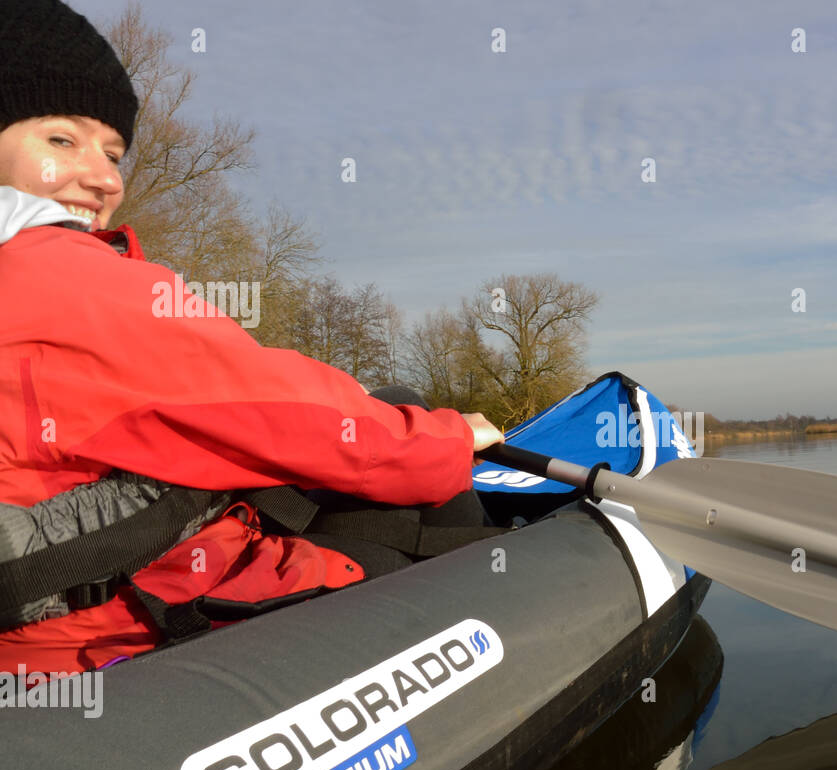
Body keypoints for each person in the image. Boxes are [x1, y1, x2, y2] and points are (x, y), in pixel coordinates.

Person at [0, 0, 504, 676]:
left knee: (381, 407)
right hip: (123, 626)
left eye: (114, 152)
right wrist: (446, 439)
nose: (106, 178)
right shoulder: (54, 272)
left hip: (63, 610)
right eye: (62, 141)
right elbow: (280, 409)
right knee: (433, 491)